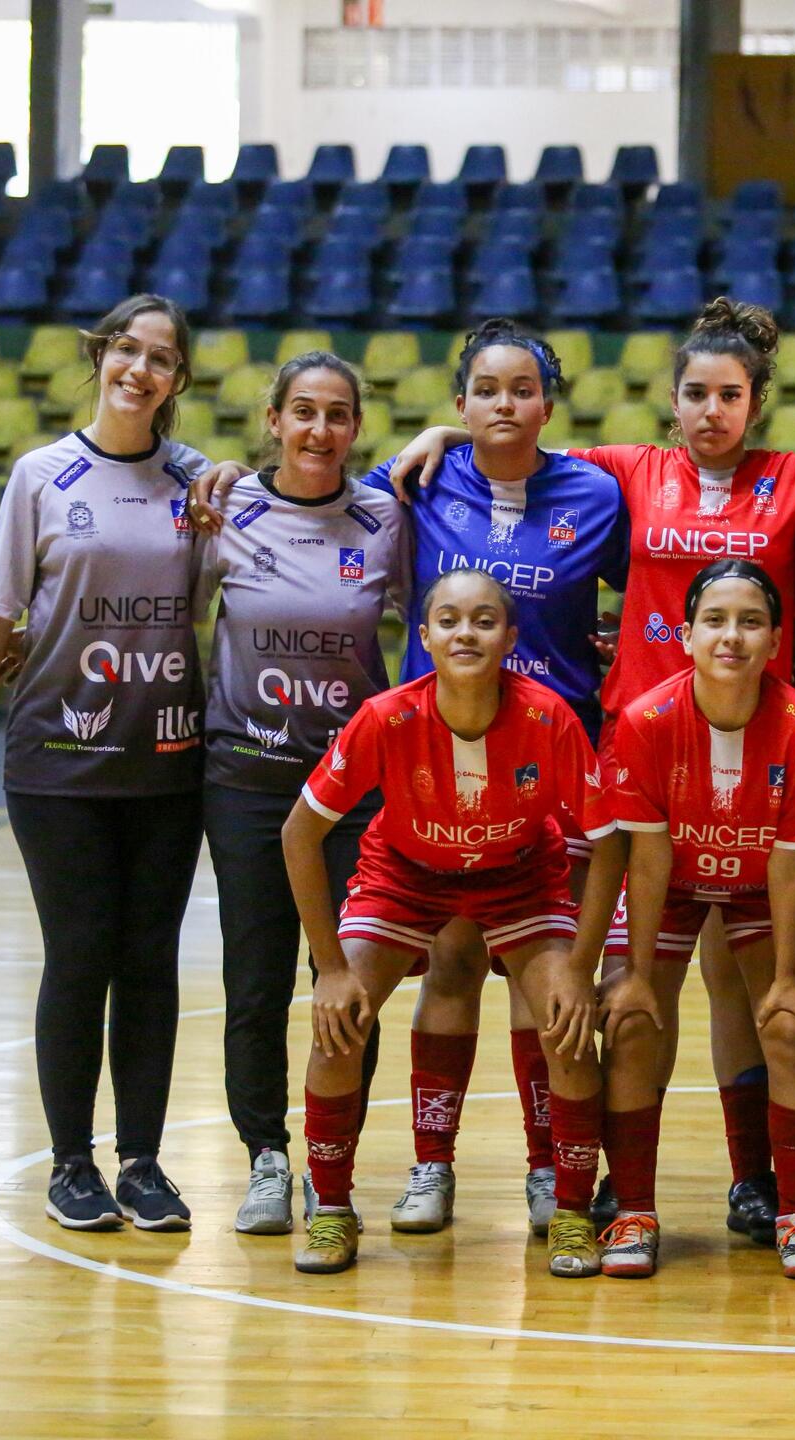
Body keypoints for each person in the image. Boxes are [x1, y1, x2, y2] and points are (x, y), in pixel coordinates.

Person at [391, 299, 795, 1245]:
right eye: (696, 395)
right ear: (670, 405)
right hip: (633, 745)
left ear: (755, 403)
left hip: (746, 743)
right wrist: (442, 428)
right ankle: (598, 1186)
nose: (712, 410)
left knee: (733, 978)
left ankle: (757, 1183)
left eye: (731, 395)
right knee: (607, 981)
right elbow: (510, 447)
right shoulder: (624, 473)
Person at [191, 319, 628, 1235]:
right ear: (459, 404)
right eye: (485, 392)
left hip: (548, 759)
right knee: (443, 970)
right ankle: (417, 1171)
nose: (504, 405)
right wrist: (230, 474)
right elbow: (325, 476)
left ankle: (557, 1175)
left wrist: (631, 649)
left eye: (522, 390)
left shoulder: (595, 491)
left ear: (547, 403)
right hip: (425, 765)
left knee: (554, 995)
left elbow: (653, 591)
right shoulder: (415, 483)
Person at [0, 293, 208, 1232]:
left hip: (170, 758)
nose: (140, 369)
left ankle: (141, 1161)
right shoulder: (42, 476)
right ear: (101, 357)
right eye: (127, 350)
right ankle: (70, 1164)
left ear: (179, 379)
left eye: (162, 358)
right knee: (79, 954)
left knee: (151, 961)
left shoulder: (199, 482)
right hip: (58, 759)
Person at [284, 567, 609, 1279]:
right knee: (339, 1023)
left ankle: (572, 1210)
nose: (467, 632)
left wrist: (582, 969)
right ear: (424, 636)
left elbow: (611, 839)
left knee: (567, 1020)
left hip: (520, 872)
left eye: (485, 620)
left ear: (511, 637)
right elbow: (298, 834)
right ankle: (333, 1210)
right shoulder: (387, 716)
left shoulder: (548, 716)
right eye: (451, 620)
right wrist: (330, 970)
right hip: (407, 873)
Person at [192, 351, 407, 1235]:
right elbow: (162, 606)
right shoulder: (223, 507)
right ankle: (268, 1160)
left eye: (339, 415)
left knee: (352, 978)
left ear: (357, 428)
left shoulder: (386, 518)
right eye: (304, 412)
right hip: (247, 779)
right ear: (274, 420)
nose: (321, 431)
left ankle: (333, 1163)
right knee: (255, 980)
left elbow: (445, 610)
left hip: (354, 790)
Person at [596, 559, 795, 1280]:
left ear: (774, 640)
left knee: (790, 1026)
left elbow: (793, 864)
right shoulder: (645, 720)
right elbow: (647, 858)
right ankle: (633, 1208)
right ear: (687, 634)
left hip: (762, 884)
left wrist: (790, 978)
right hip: (671, 881)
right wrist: (638, 976)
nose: (732, 636)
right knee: (634, 1021)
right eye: (716, 620)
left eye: (751, 621)